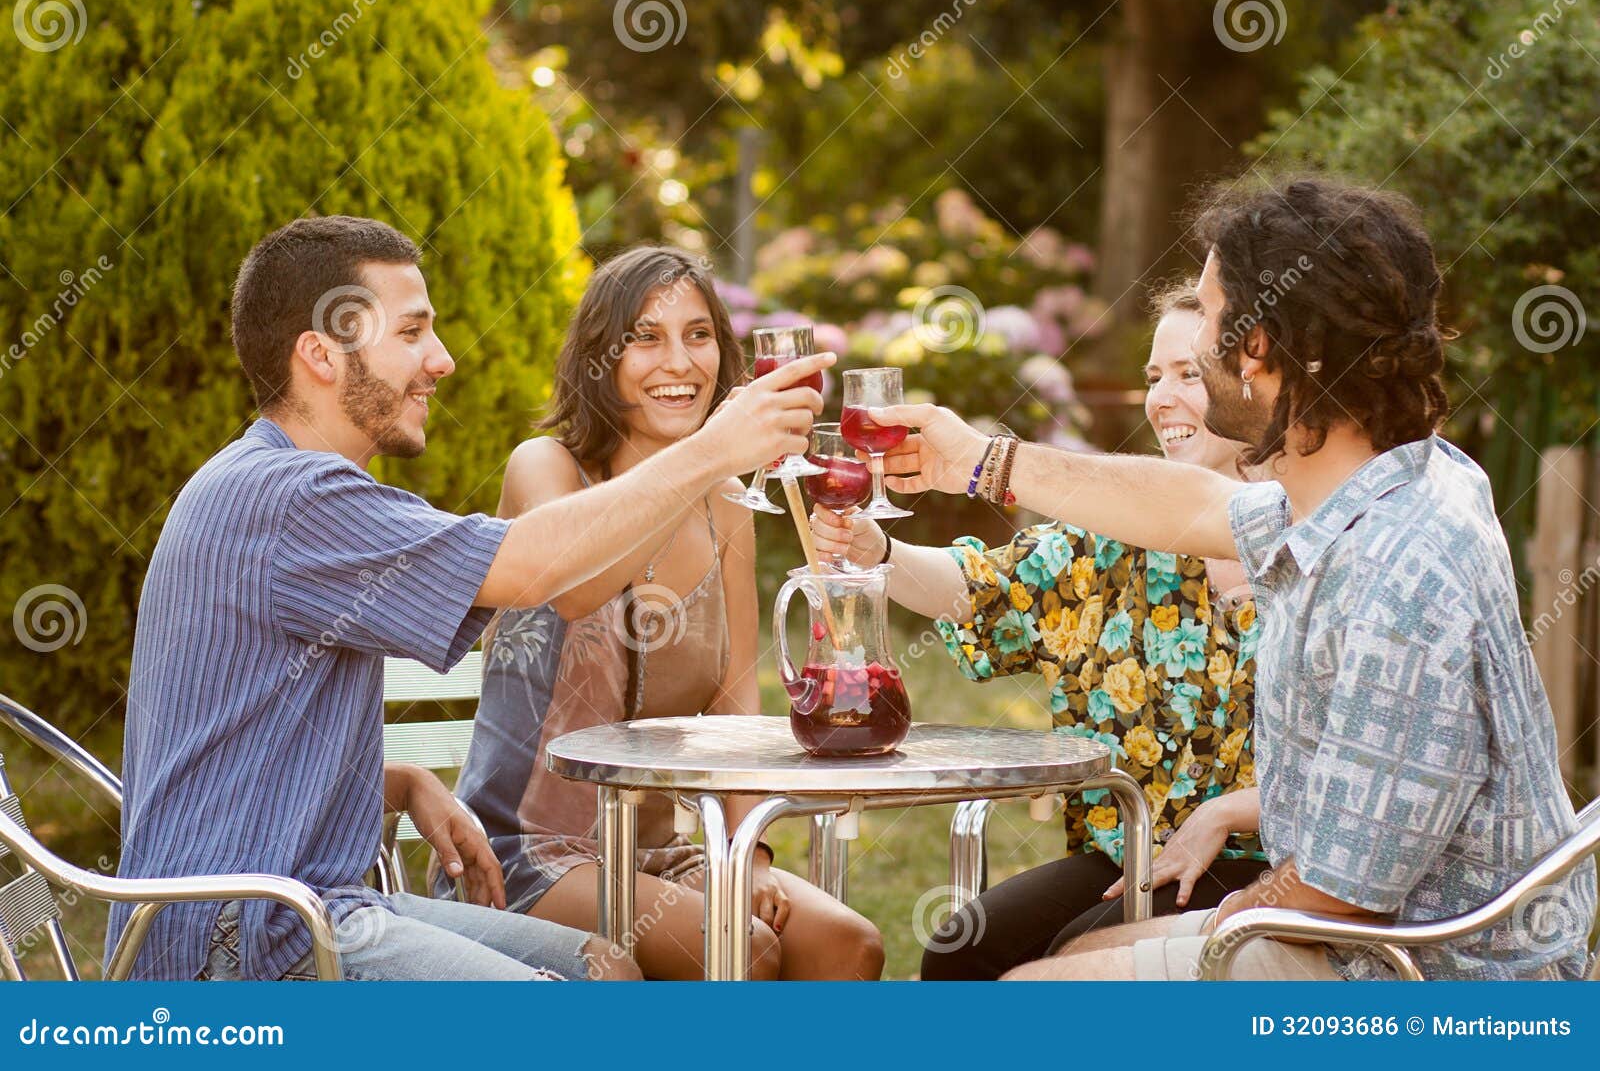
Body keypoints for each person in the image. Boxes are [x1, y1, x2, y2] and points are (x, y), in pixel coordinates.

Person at [868, 178, 1596, 981]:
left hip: (1426, 982)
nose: (1199, 341)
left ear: (1260, 350)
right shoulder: (1389, 486)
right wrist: (979, 460)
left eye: (1211, 320)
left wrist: (1209, 924)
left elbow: (1336, 891)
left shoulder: (1399, 574)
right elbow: (1192, 505)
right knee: (1036, 959)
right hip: (1366, 933)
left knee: (1020, 997)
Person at [109, 217, 831, 982]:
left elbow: (239, 741)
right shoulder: (293, 497)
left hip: (309, 905)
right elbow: (535, 567)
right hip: (240, 936)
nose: (442, 359)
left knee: (604, 969)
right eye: (412, 331)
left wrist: (401, 780)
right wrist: (714, 447)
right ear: (320, 353)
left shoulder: (275, 483)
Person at [439, 246, 883, 980]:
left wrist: (751, 855)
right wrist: (708, 454)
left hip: (663, 852)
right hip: (522, 851)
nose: (679, 361)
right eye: (645, 337)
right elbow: (576, 587)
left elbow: (735, 702)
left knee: (847, 943)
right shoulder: (545, 467)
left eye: (698, 334)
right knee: (741, 949)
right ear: (600, 359)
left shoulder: (726, 504)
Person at [811, 283, 1268, 980]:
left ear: (1252, 383)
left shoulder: (1309, 538)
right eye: (1154, 377)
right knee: (961, 951)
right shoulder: (1117, 532)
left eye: (1189, 374)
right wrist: (880, 551)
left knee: (1071, 957)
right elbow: (979, 590)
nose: (1162, 398)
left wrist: (1230, 813)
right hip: (1129, 851)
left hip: (1273, 863)